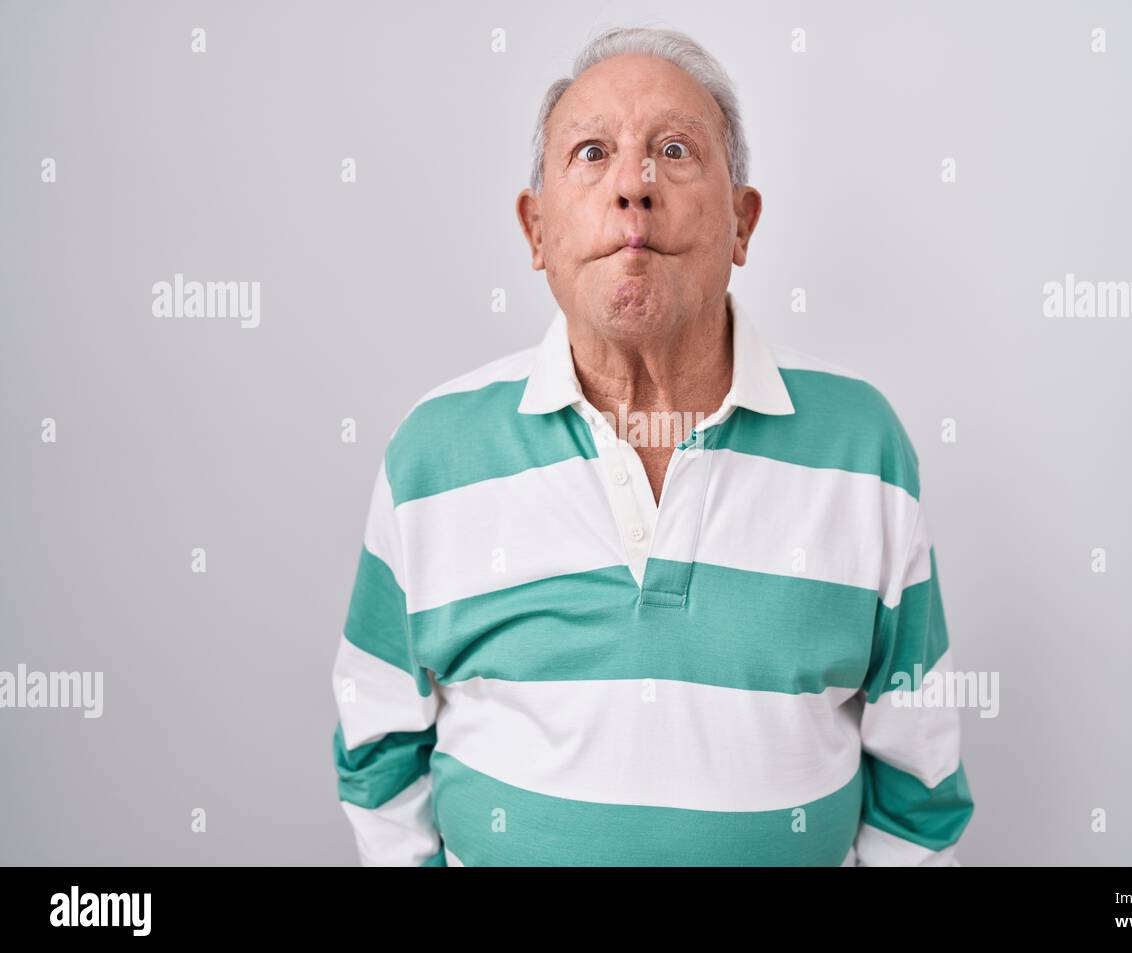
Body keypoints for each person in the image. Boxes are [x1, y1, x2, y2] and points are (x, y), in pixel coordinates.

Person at [330, 26, 974, 866]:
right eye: (592, 153)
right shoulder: (432, 455)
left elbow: (918, 788)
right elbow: (376, 754)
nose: (633, 187)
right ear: (536, 232)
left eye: (674, 151)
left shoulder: (863, 447)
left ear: (743, 224)